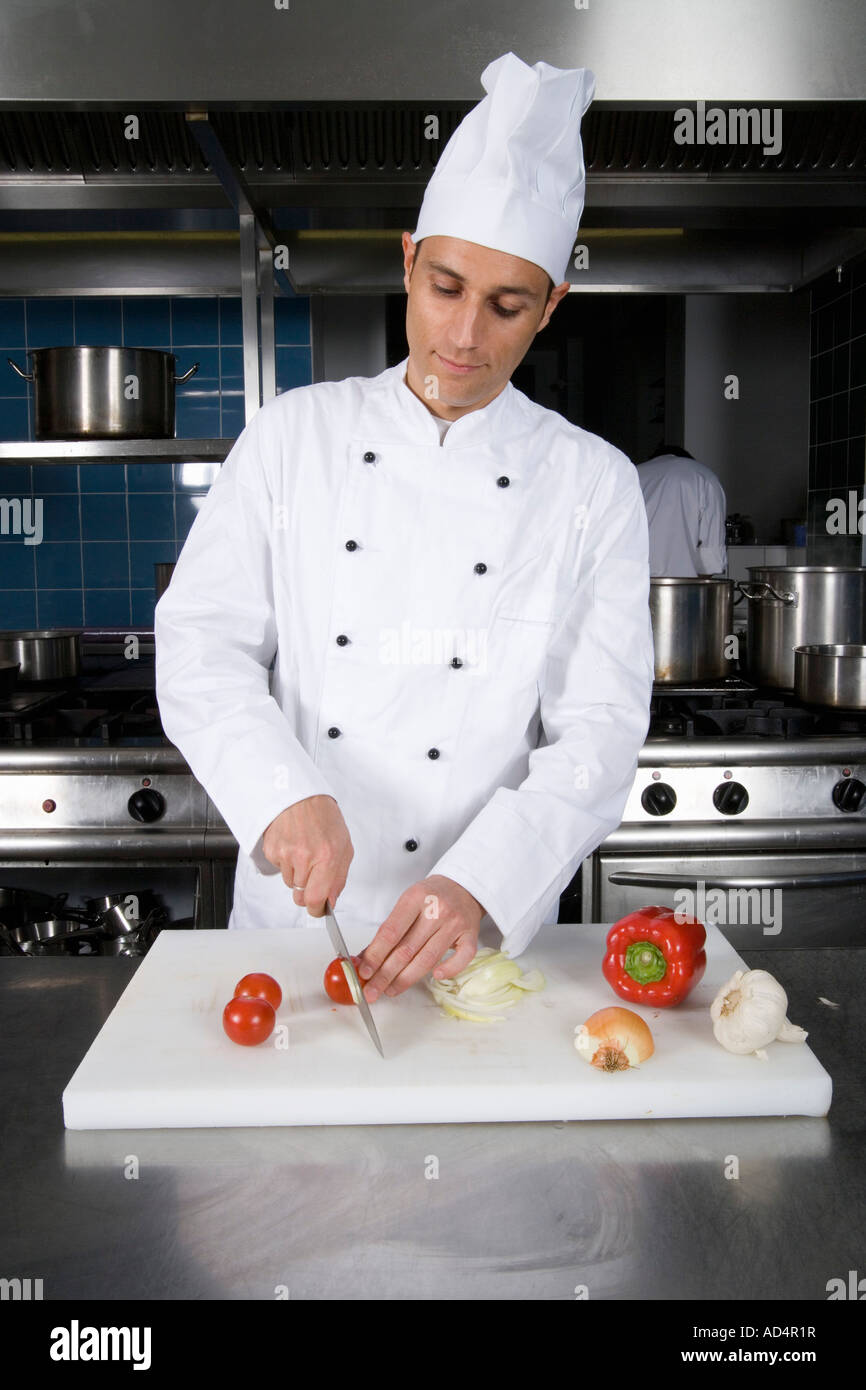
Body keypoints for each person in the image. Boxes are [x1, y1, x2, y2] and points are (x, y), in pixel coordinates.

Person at [154, 52, 654, 1004]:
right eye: (446, 288)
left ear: (551, 308)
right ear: (408, 261)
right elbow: (198, 645)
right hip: (299, 934)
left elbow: (597, 731)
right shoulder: (292, 438)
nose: (464, 337)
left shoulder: (592, 484)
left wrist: (481, 882)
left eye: (507, 306)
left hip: (480, 942)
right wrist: (280, 793)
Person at [637, 445, 727, 577]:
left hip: (630, 585)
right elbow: (710, 559)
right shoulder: (704, 476)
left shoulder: (633, 473)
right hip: (681, 587)